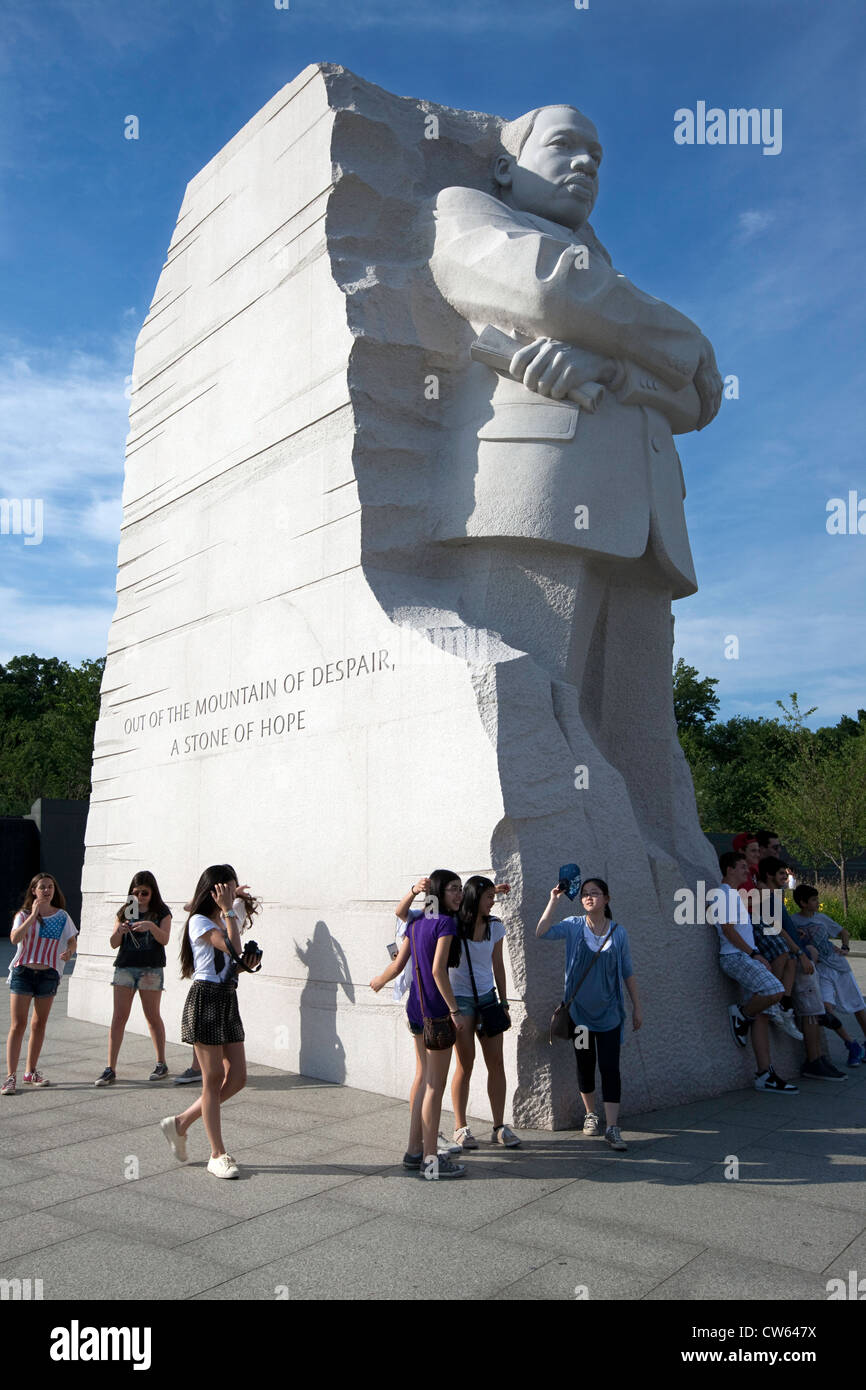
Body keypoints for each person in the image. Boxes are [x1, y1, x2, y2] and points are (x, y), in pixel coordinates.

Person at [159, 866, 260, 1179]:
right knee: (213, 1078)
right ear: (213, 891)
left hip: (227, 996)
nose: (230, 894)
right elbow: (232, 947)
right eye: (224, 889)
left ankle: (181, 1122)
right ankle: (217, 1154)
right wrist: (230, 911)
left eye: (232, 888)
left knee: (239, 1076)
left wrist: (246, 966)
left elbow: (232, 962)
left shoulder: (222, 918)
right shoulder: (200, 921)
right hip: (205, 998)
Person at [372, 869, 467, 1179]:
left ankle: (414, 1151)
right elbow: (439, 971)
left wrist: (378, 981)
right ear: (439, 891)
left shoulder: (417, 923)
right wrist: (455, 1010)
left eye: (460, 888)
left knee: (423, 1079)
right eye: (453, 888)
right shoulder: (444, 922)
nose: (459, 894)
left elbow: (399, 965)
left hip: (415, 1011)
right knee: (433, 1088)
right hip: (437, 1013)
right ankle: (430, 1158)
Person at [536, 877, 642, 1149]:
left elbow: (627, 971)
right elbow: (542, 931)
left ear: (606, 899)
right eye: (585, 894)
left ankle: (613, 1127)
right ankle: (590, 1115)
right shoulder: (573, 926)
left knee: (610, 1068)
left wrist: (637, 1007)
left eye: (595, 893)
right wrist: (554, 900)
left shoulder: (618, 933)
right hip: (580, 1016)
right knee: (585, 1063)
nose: (588, 897)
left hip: (609, 1016)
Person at [755, 857, 846, 1081]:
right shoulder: (767, 897)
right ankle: (813, 1060)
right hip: (798, 958)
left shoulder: (774, 895)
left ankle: (817, 1057)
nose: (786, 879)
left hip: (801, 954)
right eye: (782, 875)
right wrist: (798, 952)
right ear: (770, 875)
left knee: (813, 1010)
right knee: (811, 1011)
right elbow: (774, 929)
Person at [713, 852, 797, 1093]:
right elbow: (728, 930)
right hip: (735, 957)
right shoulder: (721, 894)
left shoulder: (735, 895)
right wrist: (753, 954)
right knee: (775, 990)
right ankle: (740, 1012)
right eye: (741, 867)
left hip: (747, 956)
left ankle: (764, 1074)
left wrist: (757, 955)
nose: (747, 872)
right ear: (729, 869)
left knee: (764, 1013)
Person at [448, 875, 519, 1150]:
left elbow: (498, 966)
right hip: (461, 1002)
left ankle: (499, 1126)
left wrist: (504, 1001)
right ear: (475, 898)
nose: (493, 902)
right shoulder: (453, 924)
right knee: (465, 1065)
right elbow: (430, 914)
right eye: (488, 897)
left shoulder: (495, 927)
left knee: (496, 1064)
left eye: (494, 896)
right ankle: (460, 1127)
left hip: (488, 1001)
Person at [94, 871, 172, 1086]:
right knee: (118, 1017)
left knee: (152, 1016)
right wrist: (119, 930)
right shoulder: (125, 911)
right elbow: (113, 943)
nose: (140, 897)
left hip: (151, 969)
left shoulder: (161, 912)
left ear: (152, 892)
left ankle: (161, 1062)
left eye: (144, 893)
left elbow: (165, 939)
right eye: (135, 892)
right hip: (125, 967)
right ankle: (110, 1068)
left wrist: (151, 926)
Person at [3, 874, 77, 1094]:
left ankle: (30, 1071)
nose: (47, 891)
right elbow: (15, 938)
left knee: (39, 1024)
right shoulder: (23, 914)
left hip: (48, 975)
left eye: (50, 887)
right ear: (33, 891)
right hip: (24, 972)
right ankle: (10, 1077)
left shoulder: (62, 916)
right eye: (42, 887)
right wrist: (34, 914)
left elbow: (72, 939)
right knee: (18, 1025)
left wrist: (69, 951)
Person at [791, 884, 866, 1067]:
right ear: (803, 902)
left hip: (839, 967)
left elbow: (843, 932)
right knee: (825, 1011)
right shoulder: (793, 921)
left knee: (857, 1005)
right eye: (814, 900)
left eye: (817, 899)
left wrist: (845, 947)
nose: (817, 903)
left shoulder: (822, 918)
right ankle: (851, 1044)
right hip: (821, 970)